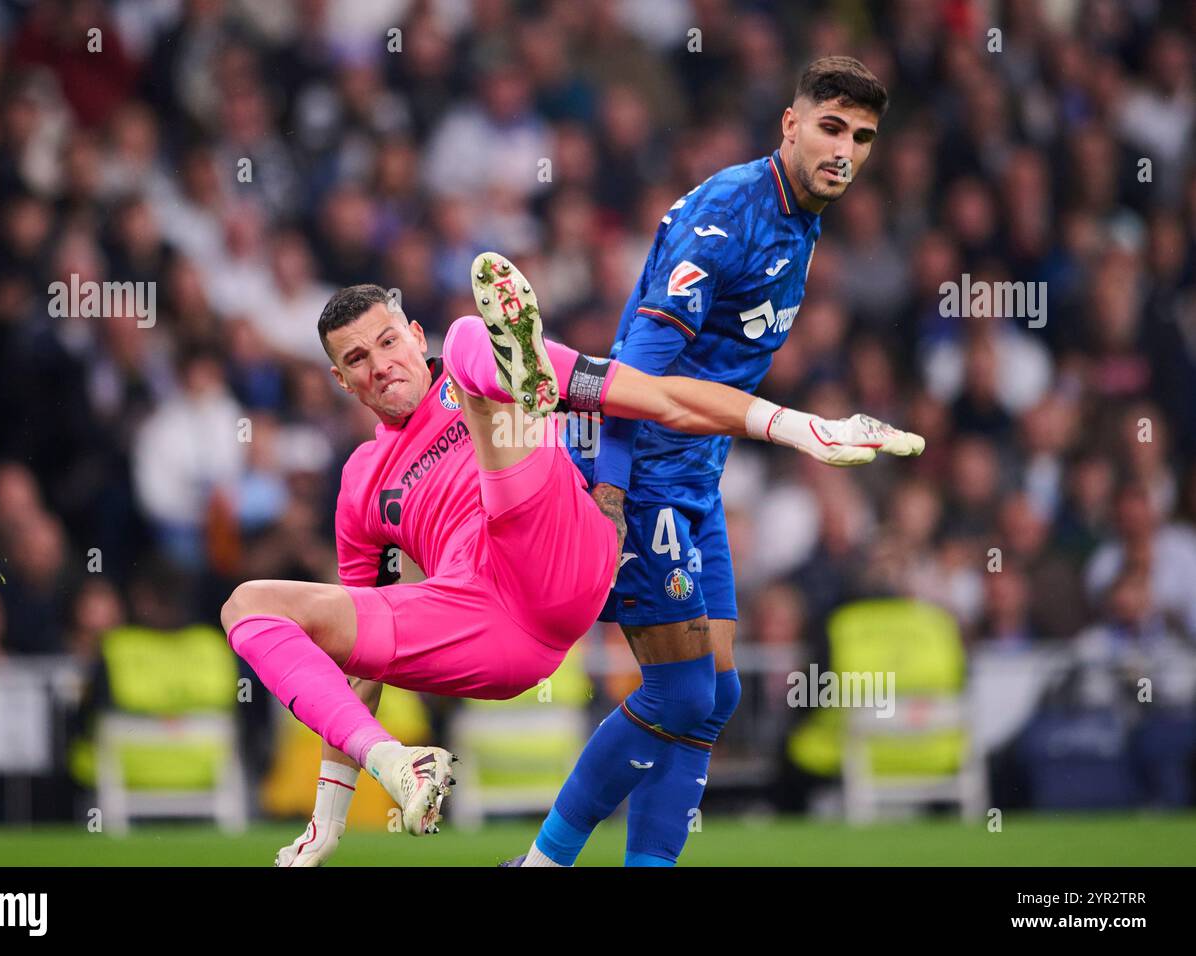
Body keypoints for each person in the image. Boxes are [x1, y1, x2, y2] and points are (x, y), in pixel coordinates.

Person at [220, 253, 920, 862]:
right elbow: (356, 669)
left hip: (563, 550)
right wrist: (328, 823)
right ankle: (398, 766)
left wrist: (797, 427)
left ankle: (521, 383)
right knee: (248, 604)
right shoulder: (359, 487)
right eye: (356, 361)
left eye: (387, 343)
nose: (380, 367)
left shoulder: (458, 353)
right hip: (490, 633)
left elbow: (662, 400)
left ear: (413, 334)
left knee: (476, 341)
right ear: (342, 383)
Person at [518, 56, 892, 867]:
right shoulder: (728, 216)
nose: (845, 150)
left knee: (714, 695)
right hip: (640, 470)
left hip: (696, 475)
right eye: (831, 127)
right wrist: (612, 493)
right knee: (681, 693)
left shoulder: (803, 217)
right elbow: (628, 380)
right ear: (789, 125)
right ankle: (544, 862)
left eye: (862, 137)